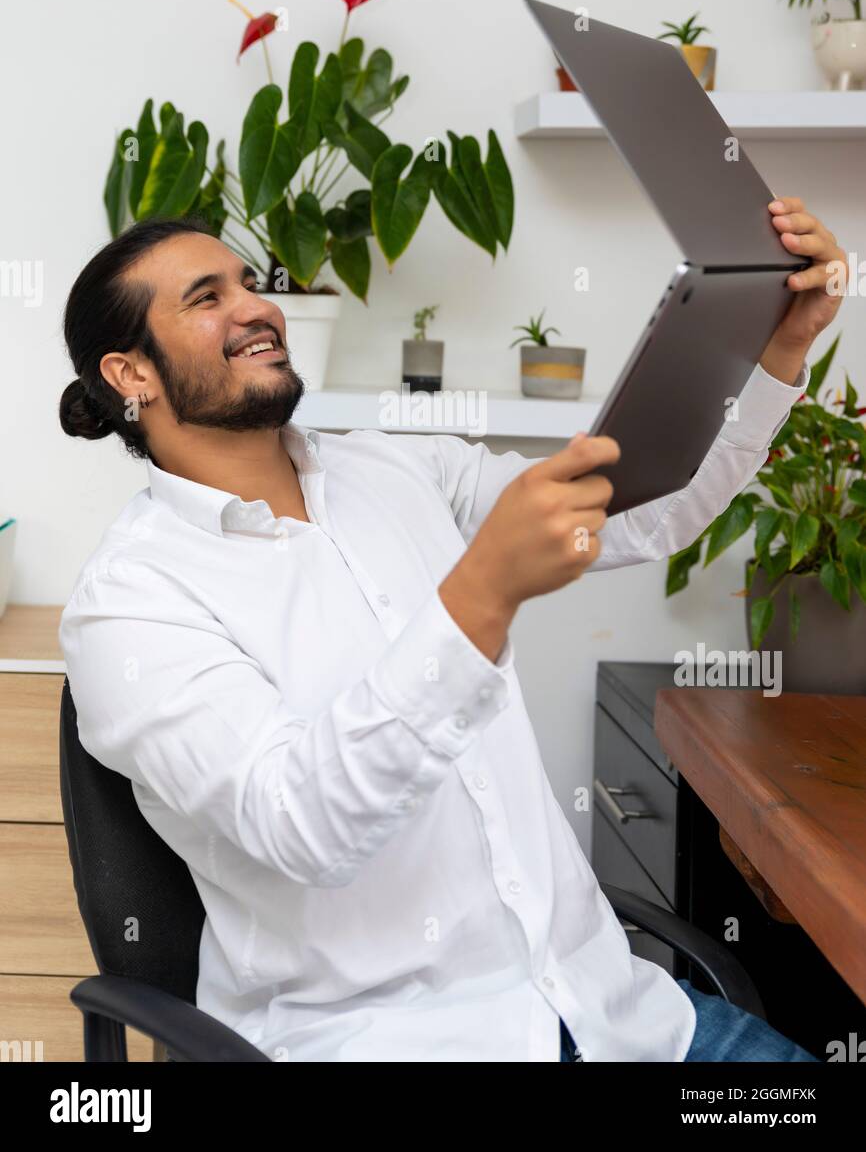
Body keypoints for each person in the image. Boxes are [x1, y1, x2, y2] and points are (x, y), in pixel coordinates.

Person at [58, 199, 844, 1062]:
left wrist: (778, 349)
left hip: (618, 1014)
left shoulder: (399, 468)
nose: (256, 306)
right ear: (131, 375)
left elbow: (647, 514)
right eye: (206, 298)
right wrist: (481, 594)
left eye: (249, 282)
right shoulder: (130, 603)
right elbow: (301, 824)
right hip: (385, 1042)